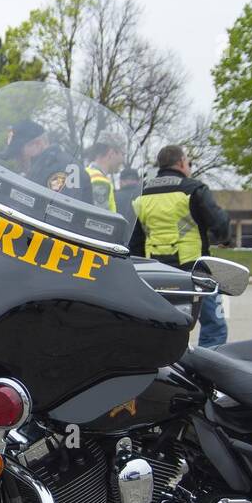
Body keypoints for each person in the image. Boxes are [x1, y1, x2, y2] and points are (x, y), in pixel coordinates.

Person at [132, 144, 231, 348]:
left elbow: (136, 239)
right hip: (193, 269)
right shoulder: (193, 188)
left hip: (156, 271)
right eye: (189, 163)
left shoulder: (142, 193)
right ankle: (206, 371)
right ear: (181, 163)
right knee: (214, 326)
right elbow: (219, 223)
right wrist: (224, 238)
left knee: (160, 325)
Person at [4, 120, 91, 202]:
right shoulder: (40, 169)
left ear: (38, 144)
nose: (16, 160)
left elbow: (60, 213)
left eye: (19, 154)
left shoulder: (67, 168)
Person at [85, 140, 124, 211]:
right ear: (111, 153)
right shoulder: (100, 181)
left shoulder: (86, 172)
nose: (122, 160)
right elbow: (101, 219)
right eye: (122, 154)